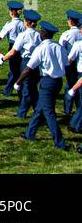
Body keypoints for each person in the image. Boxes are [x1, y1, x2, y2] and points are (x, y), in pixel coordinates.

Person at [21, 21, 70, 149]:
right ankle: (29, 133)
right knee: (40, 109)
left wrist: (18, 81)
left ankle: (60, 143)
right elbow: (67, 65)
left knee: (49, 113)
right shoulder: (59, 47)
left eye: (42, 31)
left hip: (47, 82)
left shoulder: (41, 48)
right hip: (57, 82)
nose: (40, 33)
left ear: (44, 34)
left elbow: (28, 68)